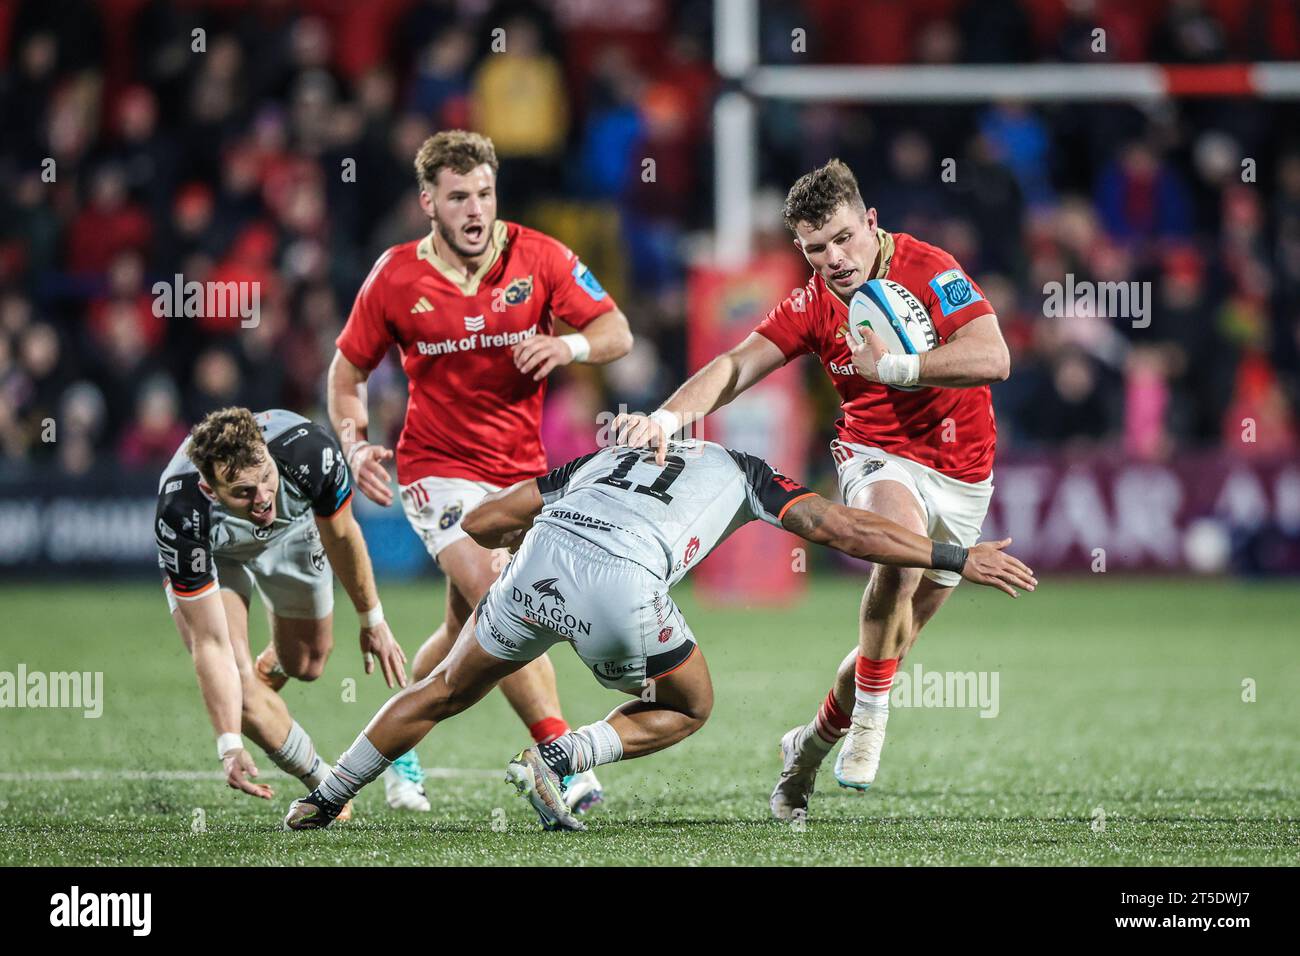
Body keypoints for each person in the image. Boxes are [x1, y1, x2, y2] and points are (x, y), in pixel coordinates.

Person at [283, 440, 1034, 832]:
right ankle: (564, 757)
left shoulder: (605, 457)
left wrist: (518, 551)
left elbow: (480, 522)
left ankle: (327, 791)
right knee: (690, 702)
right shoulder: (748, 472)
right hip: (619, 588)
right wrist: (953, 555)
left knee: (442, 689)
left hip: (539, 558)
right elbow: (843, 528)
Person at [611, 158, 1012, 818]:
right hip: (877, 455)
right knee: (898, 553)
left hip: (964, 473)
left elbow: (993, 356)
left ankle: (808, 748)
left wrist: (899, 366)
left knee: (893, 642)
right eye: (816, 248)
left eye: (845, 238)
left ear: (871, 222)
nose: (835, 258)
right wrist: (665, 417)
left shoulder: (929, 268)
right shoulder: (811, 303)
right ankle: (873, 721)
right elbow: (737, 363)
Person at [327, 129, 634, 814]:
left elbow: (618, 330)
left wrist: (568, 343)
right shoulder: (396, 277)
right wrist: (354, 445)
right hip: (436, 473)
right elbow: (347, 371)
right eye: (458, 196)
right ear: (427, 202)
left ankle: (396, 740)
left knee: (472, 627)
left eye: (485, 194)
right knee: (507, 597)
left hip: (522, 479)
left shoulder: (540, 256)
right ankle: (563, 760)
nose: (475, 210)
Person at [155, 407, 409, 817]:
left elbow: (342, 535)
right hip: (216, 555)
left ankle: (260, 676)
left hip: (290, 532)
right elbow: (211, 643)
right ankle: (323, 783)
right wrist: (230, 743)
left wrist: (371, 619)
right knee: (233, 682)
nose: (262, 498)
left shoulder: (309, 451)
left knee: (308, 663)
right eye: (242, 491)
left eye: (266, 478)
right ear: (209, 487)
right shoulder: (181, 511)